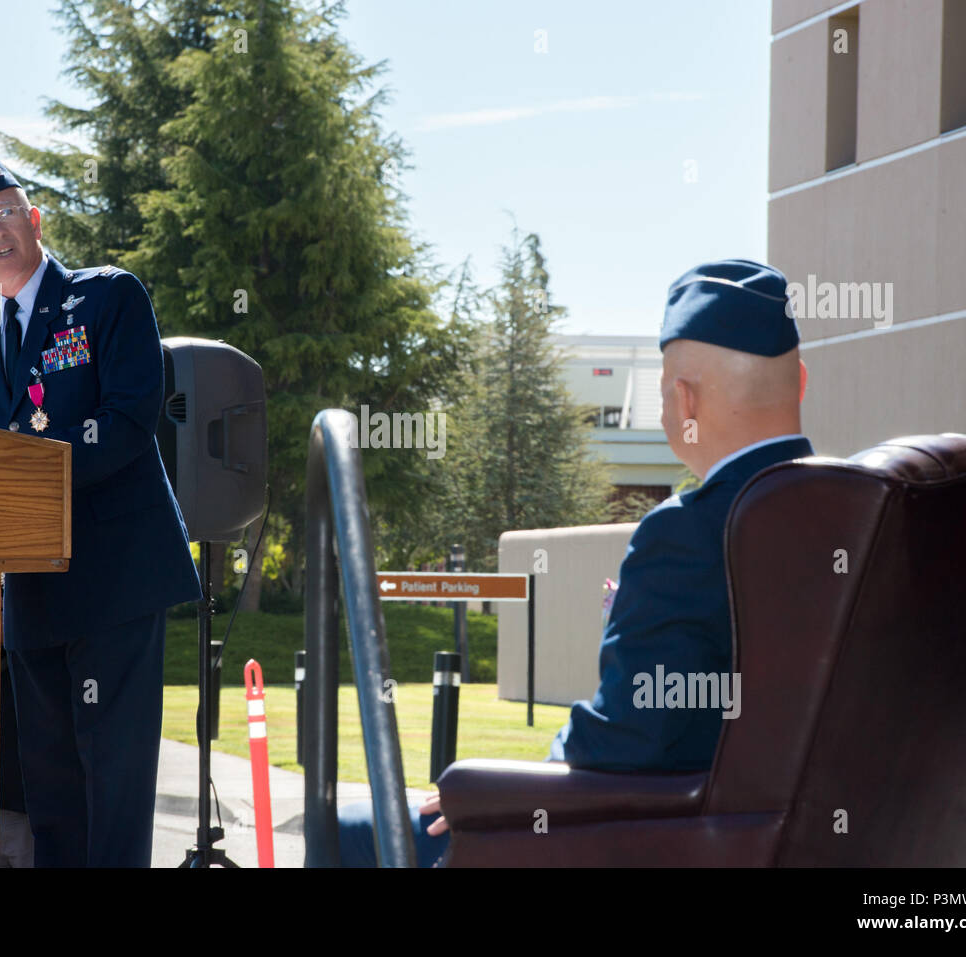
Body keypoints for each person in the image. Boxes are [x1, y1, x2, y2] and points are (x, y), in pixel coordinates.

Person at [337, 258, 814, 866]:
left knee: (348, 827)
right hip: (781, 839)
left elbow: (628, 737)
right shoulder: (865, 516)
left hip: (655, 840)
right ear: (799, 383)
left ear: (684, 401)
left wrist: (495, 796)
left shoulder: (689, 534)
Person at [0, 147, 201, 867]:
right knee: (52, 793)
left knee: (114, 787)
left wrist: (25, 479)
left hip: (115, 578)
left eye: (5, 213)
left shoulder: (108, 297)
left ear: (34, 218)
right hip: (31, 591)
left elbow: (127, 421)